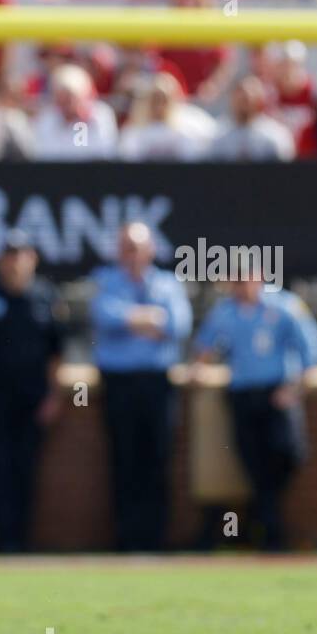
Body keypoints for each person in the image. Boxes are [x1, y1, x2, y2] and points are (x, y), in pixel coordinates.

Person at [192, 269, 317, 550]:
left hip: (276, 395)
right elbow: (204, 347)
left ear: (259, 277)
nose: (239, 286)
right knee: (253, 463)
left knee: (289, 454)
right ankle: (269, 533)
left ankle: (262, 521)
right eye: (234, 280)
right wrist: (199, 367)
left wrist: (295, 388)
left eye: (243, 279)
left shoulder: (285, 305)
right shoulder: (225, 312)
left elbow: (310, 350)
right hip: (242, 396)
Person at [0, 230, 67, 551]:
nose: (15, 261)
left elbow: (57, 355)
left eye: (21, 254)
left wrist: (54, 397)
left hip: (34, 399)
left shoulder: (47, 298)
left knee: (27, 468)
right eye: (9, 255)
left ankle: (23, 539)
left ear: (32, 258)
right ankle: (3, 540)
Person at [90, 222, 192, 552]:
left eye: (137, 248)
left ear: (150, 250)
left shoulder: (167, 283)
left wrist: (134, 319)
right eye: (126, 248)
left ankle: (155, 539)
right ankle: (126, 539)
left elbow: (178, 324)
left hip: (157, 385)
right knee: (124, 460)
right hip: (119, 384)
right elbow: (106, 318)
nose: (132, 255)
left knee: (158, 459)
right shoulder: (106, 281)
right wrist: (149, 319)